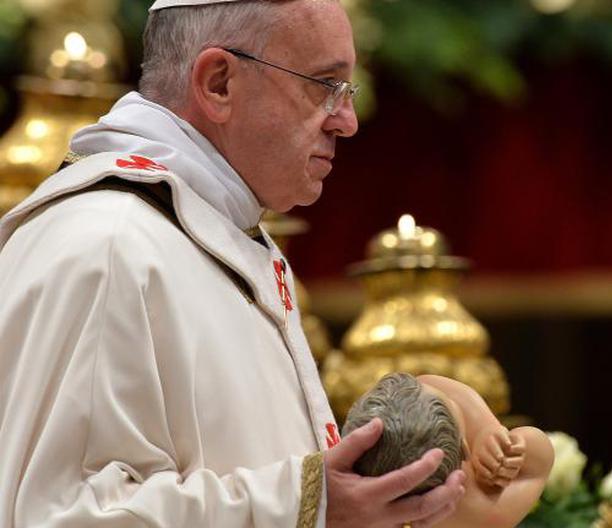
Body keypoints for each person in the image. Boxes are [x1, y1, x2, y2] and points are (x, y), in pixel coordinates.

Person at [0, 0, 465, 526]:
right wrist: (305, 506)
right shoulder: (108, 246)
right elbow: (57, 515)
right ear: (219, 83)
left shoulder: (207, 229)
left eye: (348, 89)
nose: (348, 121)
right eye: (324, 84)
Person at [344, 373, 555, 528]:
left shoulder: (345, 503)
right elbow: (537, 460)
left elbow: (425, 381)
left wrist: (485, 429)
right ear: (462, 448)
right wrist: (488, 428)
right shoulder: (478, 508)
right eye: (456, 406)